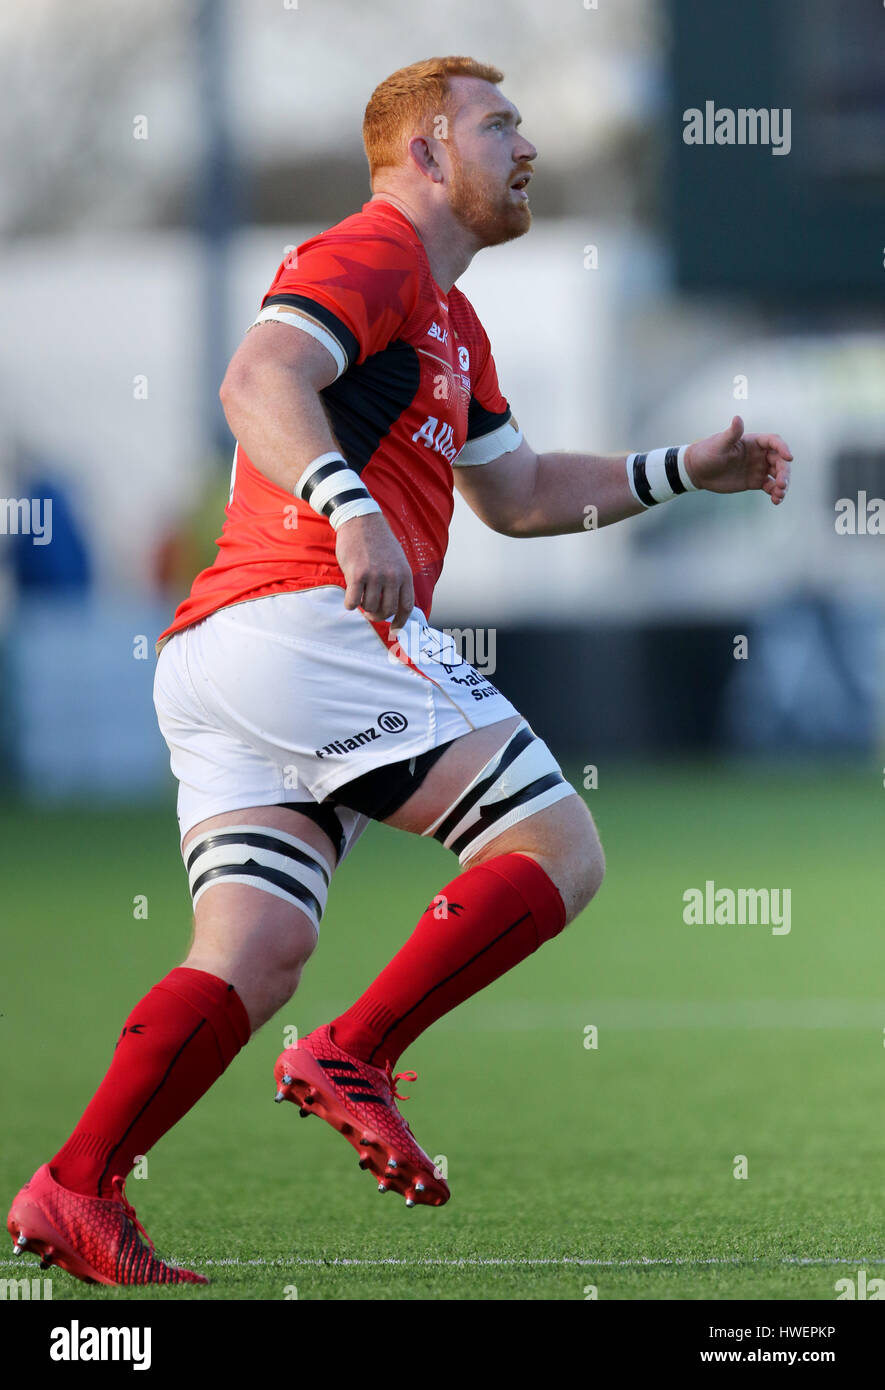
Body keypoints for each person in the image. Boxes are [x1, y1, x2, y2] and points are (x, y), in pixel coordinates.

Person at [7, 55, 791, 1287]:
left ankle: (76, 1188)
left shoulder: (453, 318)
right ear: (424, 153)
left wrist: (682, 468)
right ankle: (355, 1053)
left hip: (221, 656)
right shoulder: (372, 254)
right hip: (304, 615)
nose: (525, 144)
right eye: (499, 124)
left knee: (252, 953)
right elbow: (256, 377)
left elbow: (522, 496)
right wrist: (348, 505)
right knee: (556, 846)